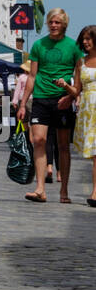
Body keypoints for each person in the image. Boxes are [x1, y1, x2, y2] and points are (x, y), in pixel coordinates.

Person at [16, 8, 83, 205]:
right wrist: (22, 103)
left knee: (63, 146)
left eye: (57, 22)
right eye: (51, 22)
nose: (53, 26)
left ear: (64, 24)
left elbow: (78, 80)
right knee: (39, 140)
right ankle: (40, 189)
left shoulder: (73, 47)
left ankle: (64, 191)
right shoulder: (38, 45)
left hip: (62, 100)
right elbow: (32, 76)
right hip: (41, 99)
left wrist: (71, 97)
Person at [66, 25, 96, 206]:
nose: (85, 42)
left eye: (88, 38)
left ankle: (95, 193)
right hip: (87, 109)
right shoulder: (81, 62)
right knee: (94, 152)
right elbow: (77, 89)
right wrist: (65, 87)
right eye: (83, 39)